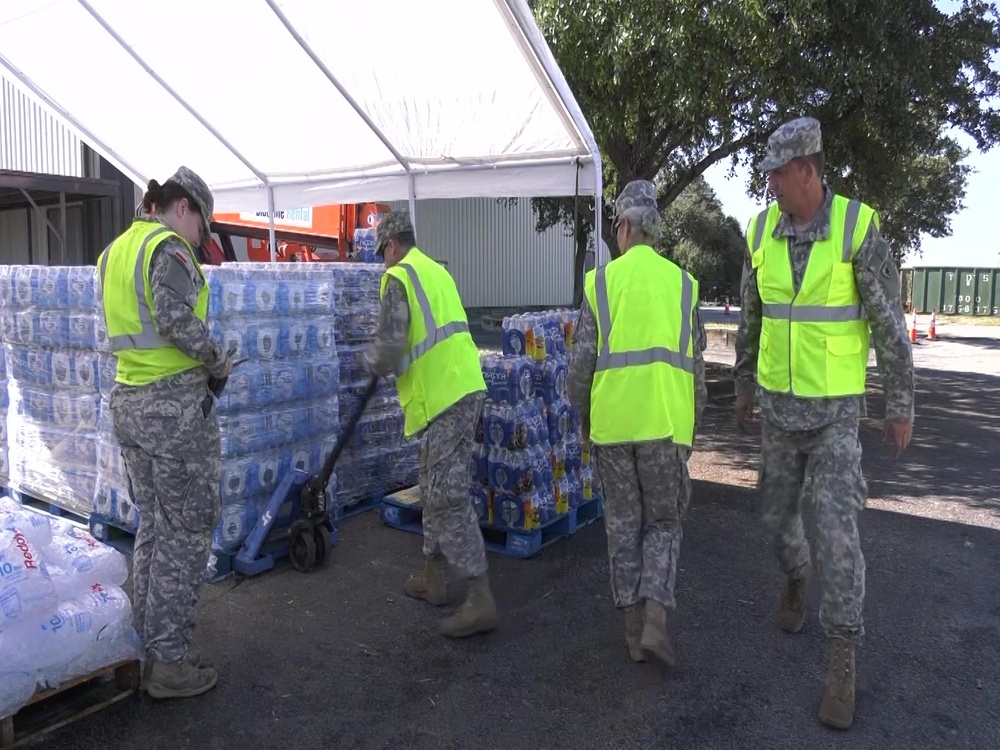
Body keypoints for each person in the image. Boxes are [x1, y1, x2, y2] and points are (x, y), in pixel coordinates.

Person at [733, 116, 915, 729]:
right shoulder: (761, 230)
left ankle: (842, 656)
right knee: (777, 520)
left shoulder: (858, 230)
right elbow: (752, 315)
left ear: (808, 170)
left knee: (838, 534)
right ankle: (794, 576)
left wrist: (900, 401)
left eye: (779, 175)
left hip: (836, 417)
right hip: (779, 414)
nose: (771, 186)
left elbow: (888, 321)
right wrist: (740, 386)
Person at [99, 167, 233, 699]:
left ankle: (152, 646)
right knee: (187, 531)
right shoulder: (168, 247)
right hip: (173, 412)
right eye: (202, 224)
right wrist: (216, 358)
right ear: (184, 208)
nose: (202, 237)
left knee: (154, 526)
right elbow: (175, 317)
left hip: (130, 402)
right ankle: (170, 666)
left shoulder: (115, 252)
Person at [566, 180, 707, 667]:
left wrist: (583, 420)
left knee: (623, 526)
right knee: (663, 524)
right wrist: (691, 432)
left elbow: (580, 366)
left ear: (624, 225)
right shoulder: (684, 285)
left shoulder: (601, 283)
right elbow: (699, 374)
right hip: (665, 427)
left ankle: (631, 631)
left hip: (612, 429)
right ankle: (655, 618)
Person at [365, 210, 498, 638]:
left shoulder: (399, 277)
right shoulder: (435, 272)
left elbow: (390, 344)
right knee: (431, 479)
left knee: (446, 494)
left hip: (448, 396)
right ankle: (432, 576)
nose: (383, 261)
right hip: (460, 388)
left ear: (390, 246)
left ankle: (480, 597)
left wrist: (366, 361)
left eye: (381, 253)